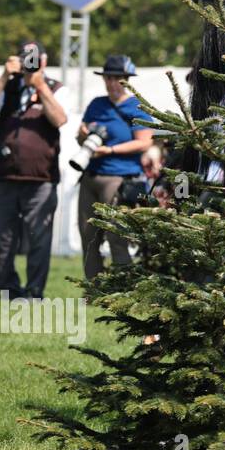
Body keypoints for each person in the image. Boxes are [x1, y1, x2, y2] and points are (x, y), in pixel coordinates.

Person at [0, 40, 68, 299]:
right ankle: (9, 291)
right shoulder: (7, 86)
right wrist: (3, 76)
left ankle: (34, 293)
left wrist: (40, 85)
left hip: (41, 179)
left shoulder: (55, 87)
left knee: (39, 240)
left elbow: (60, 119)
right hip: (3, 177)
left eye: (35, 58)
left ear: (44, 60)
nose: (31, 63)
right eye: (25, 58)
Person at [76, 55, 153, 282]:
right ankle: (94, 286)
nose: (111, 83)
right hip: (90, 175)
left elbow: (144, 141)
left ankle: (124, 286)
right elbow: (82, 139)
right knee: (88, 234)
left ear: (126, 80)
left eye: (117, 79)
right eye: (108, 78)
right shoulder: (96, 104)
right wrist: (82, 136)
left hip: (119, 179)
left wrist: (110, 151)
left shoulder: (137, 106)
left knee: (116, 234)